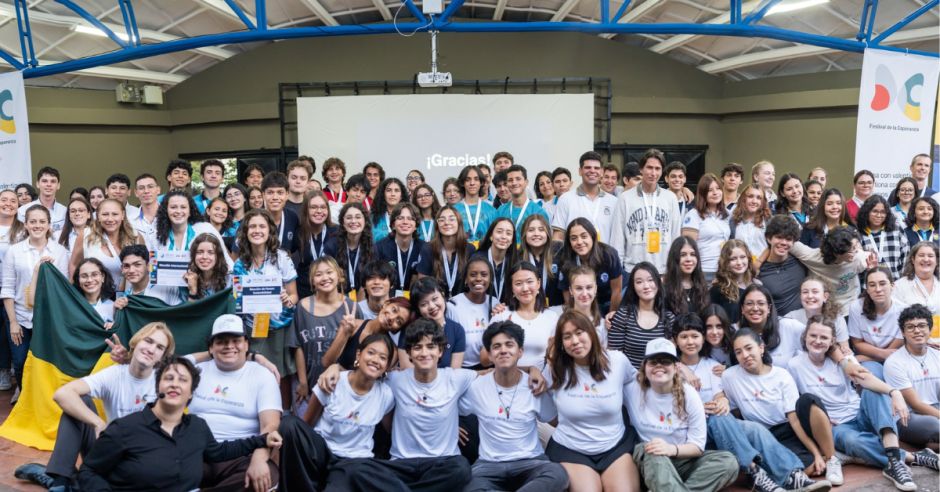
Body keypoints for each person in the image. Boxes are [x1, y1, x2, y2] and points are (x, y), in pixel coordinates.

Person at [80, 352, 282, 492]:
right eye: (168, 378)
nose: (175, 384)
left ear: (191, 393)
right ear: (157, 386)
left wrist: (262, 440)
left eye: (183, 380)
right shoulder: (125, 428)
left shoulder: (197, 427)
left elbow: (220, 452)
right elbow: (90, 471)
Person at [672, 314, 825, 492]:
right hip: (692, 431)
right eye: (684, 337)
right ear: (675, 341)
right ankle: (755, 473)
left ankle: (791, 477)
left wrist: (721, 401)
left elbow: (720, 396)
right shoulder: (668, 367)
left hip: (718, 428)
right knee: (719, 418)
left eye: (695, 336)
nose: (690, 342)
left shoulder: (712, 367)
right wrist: (679, 367)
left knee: (750, 426)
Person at [14, 323, 175, 490]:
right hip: (107, 451)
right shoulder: (115, 374)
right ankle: (60, 484)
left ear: (162, 357)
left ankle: (63, 479)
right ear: (136, 342)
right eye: (148, 341)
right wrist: (98, 423)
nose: (151, 349)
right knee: (79, 402)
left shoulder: (165, 383)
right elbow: (62, 394)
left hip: (140, 461)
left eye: (159, 347)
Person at [789, 316, 939, 491]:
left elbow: (866, 378)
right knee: (852, 441)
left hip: (861, 414)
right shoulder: (795, 365)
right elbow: (800, 403)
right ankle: (911, 458)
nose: (817, 341)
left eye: (823, 338)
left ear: (832, 341)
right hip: (837, 425)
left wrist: (894, 392)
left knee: (875, 390)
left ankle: (893, 460)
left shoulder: (843, 360)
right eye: (813, 336)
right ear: (805, 336)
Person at [279, 333, 399, 491]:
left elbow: (391, 430)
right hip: (322, 451)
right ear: (359, 354)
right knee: (289, 424)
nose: (375, 360)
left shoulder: (385, 395)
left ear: (386, 366)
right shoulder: (333, 380)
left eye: (383, 358)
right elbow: (306, 424)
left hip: (354, 461)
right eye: (371, 352)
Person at [722, 329, 841, 485]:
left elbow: (795, 421)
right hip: (766, 437)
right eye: (738, 352)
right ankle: (824, 458)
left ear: (761, 348)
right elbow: (729, 406)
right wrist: (721, 399)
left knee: (808, 400)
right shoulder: (730, 376)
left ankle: (830, 458)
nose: (745, 355)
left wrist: (816, 454)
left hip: (791, 429)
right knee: (800, 467)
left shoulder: (781, 375)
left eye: (749, 348)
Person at [460, 321, 569, 492]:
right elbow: (449, 407)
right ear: (489, 355)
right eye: (496, 346)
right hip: (489, 465)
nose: (503, 350)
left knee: (558, 474)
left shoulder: (535, 385)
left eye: (509, 345)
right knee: (468, 485)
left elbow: (556, 421)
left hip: (531, 462)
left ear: (520, 352)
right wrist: (453, 426)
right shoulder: (476, 387)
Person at [543, 310, 641, 491]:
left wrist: (681, 368)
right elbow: (544, 407)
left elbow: (642, 383)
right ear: (561, 344)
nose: (574, 341)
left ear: (591, 333)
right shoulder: (554, 370)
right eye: (567, 337)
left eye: (579, 333)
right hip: (571, 449)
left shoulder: (617, 361)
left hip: (615, 445)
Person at [626, 338, 739, 492]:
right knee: (654, 449)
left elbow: (697, 447)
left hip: (682, 457)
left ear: (675, 367)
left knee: (729, 462)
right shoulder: (632, 388)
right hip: (650, 458)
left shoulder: (689, 394)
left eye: (665, 361)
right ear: (644, 367)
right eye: (653, 362)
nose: (659, 365)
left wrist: (671, 449)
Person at [189, 314, 283, 492]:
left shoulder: (262, 375)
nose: (229, 346)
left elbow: (270, 423)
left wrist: (259, 458)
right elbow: (168, 364)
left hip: (242, 455)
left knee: (265, 477)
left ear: (246, 344)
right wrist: (254, 356)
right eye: (221, 341)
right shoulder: (194, 372)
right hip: (198, 453)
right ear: (210, 346)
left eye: (236, 340)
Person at [2, 204, 69, 398]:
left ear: (49, 225)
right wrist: (13, 322)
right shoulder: (14, 251)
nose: (37, 225)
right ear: (25, 224)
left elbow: (62, 288)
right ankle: (25, 398)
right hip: (20, 317)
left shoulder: (59, 251)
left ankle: (42, 400)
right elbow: (7, 288)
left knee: (45, 362)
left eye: (42, 221)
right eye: (33, 221)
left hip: (48, 318)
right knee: (21, 361)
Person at [233, 208, 300, 383]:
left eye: (262, 226)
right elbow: (235, 299)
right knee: (255, 374)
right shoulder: (240, 264)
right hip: (252, 328)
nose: (257, 231)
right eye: (252, 227)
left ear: (270, 230)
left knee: (281, 376)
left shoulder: (282, 258)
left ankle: (284, 411)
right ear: (245, 232)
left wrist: (288, 300)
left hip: (279, 327)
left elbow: (294, 296)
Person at [289, 256, 359, 416]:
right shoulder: (302, 307)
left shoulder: (351, 307)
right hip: (309, 386)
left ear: (339, 275)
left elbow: (357, 350)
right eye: (318, 274)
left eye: (329, 272)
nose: (325, 278)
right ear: (312, 281)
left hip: (341, 386)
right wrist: (302, 381)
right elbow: (297, 346)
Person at [610, 148, 681, 275]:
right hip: (633, 270)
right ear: (641, 169)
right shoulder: (625, 198)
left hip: (663, 271)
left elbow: (676, 237)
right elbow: (617, 238)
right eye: (649, 167)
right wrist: (617, 272)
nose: (653, 173)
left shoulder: (670, 198)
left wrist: (674, 269)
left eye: (657, 168)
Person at [785, 225, 874, 317]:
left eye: (856, 246)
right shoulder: (813, 257)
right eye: (851, 249)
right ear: (836, 251)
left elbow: (874, 261)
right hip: (825, 309)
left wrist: (872, 269)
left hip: (850, 309)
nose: (856, 251)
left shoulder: (859, 257)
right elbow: (787, 241)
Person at [884, 304, 940, 449]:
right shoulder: (894, 362)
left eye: (922, 325)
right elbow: (916, 404)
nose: (917, 331)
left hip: (936, 409)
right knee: (934, 425)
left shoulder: (937, 356)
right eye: (910, 327)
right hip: (909, 416)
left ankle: (931, 446)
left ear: (930, 329)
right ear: (903, 332)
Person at [491, 262, 560, 370]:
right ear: (512, 288)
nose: (525, 288)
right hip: (509, 380)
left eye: (529, 282)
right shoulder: (501, 315)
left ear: (538, 283)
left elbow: (555, 357)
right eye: (518, 283)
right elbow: (485, 358)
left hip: (542, 381)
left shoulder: (552, 317)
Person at [608, 262, 676, 369]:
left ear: (658, 283)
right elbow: (615, 355)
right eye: (639, 282)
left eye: (650, 280)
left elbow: (673, 357)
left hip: (659, 378)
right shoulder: (623, 316)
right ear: (633, 286)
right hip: (630, 378)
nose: (646, 286)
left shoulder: (669, 318)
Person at [323, 296, 413, 370]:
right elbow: (326, 363)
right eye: (394, 310)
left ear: (396, 330)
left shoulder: (392, 352)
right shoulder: (353, 326)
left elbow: (376, 383)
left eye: (399, 321)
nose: (391, 318)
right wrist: (344, 333)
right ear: (386, 304)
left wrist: (341, 370)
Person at [149, 190, 231, 269]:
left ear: (190, 211)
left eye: (183, 207)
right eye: (173, 207)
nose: (178, 211)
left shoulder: (206, 229)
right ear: (166, 211)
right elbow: (151, 268)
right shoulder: (157, 237)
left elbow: (227, 263)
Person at [70, 198, 143, 286]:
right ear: (98, 216)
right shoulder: (85, 235)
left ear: (123, 215)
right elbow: (74, 264)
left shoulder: (135, 236)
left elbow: (145, 266)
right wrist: (75, 292)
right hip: (95, 296)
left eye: (115, 214)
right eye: (105, 214)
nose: (110, 219)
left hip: (128, 296)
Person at [557, 218, 623, 314]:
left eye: (584, 236)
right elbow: (567, 292)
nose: (579, 242)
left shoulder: (609, 254)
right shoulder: (565, 257)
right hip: (580, 304)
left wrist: (611, 316)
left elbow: (616, 290)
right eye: (574, 238)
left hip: (607, 302)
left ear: (592, 236)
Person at [848, 267, 906, 377]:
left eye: (882, 283)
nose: (878, 289)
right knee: (871, 376)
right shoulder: (856, 307)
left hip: (895, 358)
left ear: (892, 286)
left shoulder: (903, 310)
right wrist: (881, 354)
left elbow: (892, 351)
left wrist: (864, 357)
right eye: (872, 285)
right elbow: (857, 343)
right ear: (867, 289)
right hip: (868, 360)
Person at [551, 151, 618, 243]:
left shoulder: (614, 202)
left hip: (604, 257)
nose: (592, 171)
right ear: (580, 171)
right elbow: (558, 237)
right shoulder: (565, 199)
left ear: (602, 172)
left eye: (596, 168)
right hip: (574, 257)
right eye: (588, 167)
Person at [400, 279, 466, 369]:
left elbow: (454, 372)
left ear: (442, 295)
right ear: (418, 309)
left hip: (447, 382)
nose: (431, 306)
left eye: (435, 299)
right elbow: (406, 368)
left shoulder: (457, 330)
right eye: (424, 304)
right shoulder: (409, 330)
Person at [736, 284, 806, 369]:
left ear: (769, 308)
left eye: (761, 303)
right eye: (749, 303)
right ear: (742, 308)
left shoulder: (788, 326)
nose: (755, 308)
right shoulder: (736, 332)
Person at [448, 255, 497, 369]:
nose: (479, 278)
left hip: (490, 368)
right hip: (461, 369)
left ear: (490, 280)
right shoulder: (453, 305)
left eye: (484, 275)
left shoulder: (495, 304)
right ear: (465, 279)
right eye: (473, 274)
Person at [417, 205, 475, 297]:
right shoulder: (428, 249)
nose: (446, 223)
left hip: (463, 302)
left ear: (459, 223)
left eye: (451, 219)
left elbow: (473, 283)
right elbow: (423, 284)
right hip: (436, 303)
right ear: (437, 225)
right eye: (442, 220)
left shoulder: (469, 249)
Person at [682, 173, 731, 280]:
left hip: (725, 271)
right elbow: (687, 248)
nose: (715, 193)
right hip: (703, 272)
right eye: (710, 190)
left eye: (718, 188)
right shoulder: (693, 215)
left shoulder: (727, 214)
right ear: (703, 194)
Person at [755, 215, 807, 316]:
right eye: (779, 237)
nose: (783, 242)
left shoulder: (801, 259)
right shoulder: (759, 270)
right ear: (769, 239)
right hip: (778, 324)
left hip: (805, 321)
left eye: (788, 239)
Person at [784, 276, 850, 354]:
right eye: (805, 292)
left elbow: (844, 349)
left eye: (815, 292)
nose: (810, 296)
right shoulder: (790, 318)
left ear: (825, 296)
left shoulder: (836, 318)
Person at [374, 203, 427, 297]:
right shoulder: (380, 247)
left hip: (415, 300)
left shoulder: (424, 248)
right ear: (393, 225)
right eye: (400, 218)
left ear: (416, 226)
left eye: (410, 218)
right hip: (387, 299)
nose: (405, 222)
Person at [0, 189, 24, 391]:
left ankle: (16, 374)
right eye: (3, 200)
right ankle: (2, 370)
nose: (8, 204)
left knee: (12, 332)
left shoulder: (23, 230)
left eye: (12, 201)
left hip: (14, 291)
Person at [294, 190, 338, 299]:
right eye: (313, 207)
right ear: (306, 210)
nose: (319, 211)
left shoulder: (337, 232)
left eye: (323, 207)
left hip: (331, 289)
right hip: (305, 291)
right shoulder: (299, 232)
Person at [858, 195, 910, 280]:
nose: (879, 215)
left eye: (883, 212)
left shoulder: (896, 230)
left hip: (895, 283)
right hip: (869, 285)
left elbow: (906, 257)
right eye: (874, 211)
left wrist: (902, 281)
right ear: (866, 212)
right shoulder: (859, 234)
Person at [497, 165, 550, 244]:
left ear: (526, 182)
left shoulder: (538, 212)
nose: (514, 183)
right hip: (505, 254)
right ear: (507, 184)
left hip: (529, 255)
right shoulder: (501, 210)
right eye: (510, 180)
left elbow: (545, 242)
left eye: (518, 179)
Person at [113, 244, 181, 305]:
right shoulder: (124, 299)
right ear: (122, 269)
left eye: (137, 264)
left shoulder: (167, 288)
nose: (131, 270)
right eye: (126, 266)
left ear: (148, 266)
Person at [518, 214, 563, 306]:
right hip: (528, 309)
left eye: (541, 230)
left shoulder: (559, 253)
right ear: (524, 234)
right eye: (531, 230)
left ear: (548, 234)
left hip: (556, 310)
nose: (536, 234)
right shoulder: (518, 258)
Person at [709, 239, 756, 324]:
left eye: (742, 257)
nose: (739, 262)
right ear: (725, 262)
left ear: (748, 258)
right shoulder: (718, 290)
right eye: (733, 259)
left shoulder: (757, 286)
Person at [560, 265, 608, 346]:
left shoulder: (602, 325)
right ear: (571, 291)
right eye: (579, 288)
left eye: (589, 287)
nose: (584, 294)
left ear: (595, 289)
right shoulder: (560, 321)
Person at [335, 202, 374, 298]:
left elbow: (371, 279)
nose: (353, 221)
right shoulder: (332, 246)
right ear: (342, 222)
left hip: (364, 298)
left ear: (365, 221)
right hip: (337, 298)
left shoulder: (372, 247)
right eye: (349, 218)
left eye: (358, 217)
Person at [893, 241, 939, 316]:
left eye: (930, 256)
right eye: (921, 255)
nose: (926, 259)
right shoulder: (899, 286)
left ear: (937, 261)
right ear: (913, 259)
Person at [182, 233, 231, 302]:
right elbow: (187, 311)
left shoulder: (230, 280)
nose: (205, 257)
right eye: (200, 252)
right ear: (193, 256)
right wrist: (193, 291)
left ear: (218, 256)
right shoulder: (185, 281)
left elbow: (234, 307)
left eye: (211, 253)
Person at [456, 165, 498, 244]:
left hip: (484, 254)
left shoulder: (491, 211)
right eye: (468, 180)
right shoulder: (454, 210)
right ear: (462, 183)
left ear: (481, 182)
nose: (472, 183)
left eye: (476, 179)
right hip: (462, 253)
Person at [17, 166, 66, 232]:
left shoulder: (65, 212)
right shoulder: (22, 211)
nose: (49, 184)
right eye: (44, 181)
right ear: (37, 184)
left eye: (53, 181)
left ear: (58, 185)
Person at [729, 184, 771, 261]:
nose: (754, 201)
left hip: (764, 269)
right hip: (740, 268)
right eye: (750, 196)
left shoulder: (769, 221)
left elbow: (772, 247)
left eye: (759, 198)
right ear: (743, 199)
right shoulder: (733, 222)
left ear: (763, 202)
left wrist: (758, 263)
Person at [261, 171, 300, 254]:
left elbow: (293, 248)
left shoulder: (292, 217)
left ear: (287, 195)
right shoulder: (253, 218)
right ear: (263, 195)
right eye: (270, 192)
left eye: (280, 192)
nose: (275, 197)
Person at [478, 218, 515, 303]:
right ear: (491, 236)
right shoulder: (477, 260)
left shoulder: (515, 262)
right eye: (499, 232)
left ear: (512, 240)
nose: (503, 236)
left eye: (508, 233)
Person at [72, 258, 116, 327]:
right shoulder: (71, 305)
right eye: (84, 276)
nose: (89, 280)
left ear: (103, 277)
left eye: (94, 274)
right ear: (78, 280)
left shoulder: (113, 307)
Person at [371, 177, 408, 243]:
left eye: (396, 190)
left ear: (401, 196)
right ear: (383, 194)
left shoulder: (409, 217)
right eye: (389, 190)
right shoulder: (372, 217)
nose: (392, 194)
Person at [130, 174, 161, 238]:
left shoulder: (170, 215)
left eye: (150, 186)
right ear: (136, 193)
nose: (146, 191)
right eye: (141, 188)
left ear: (158, 190)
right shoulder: (130, 220)